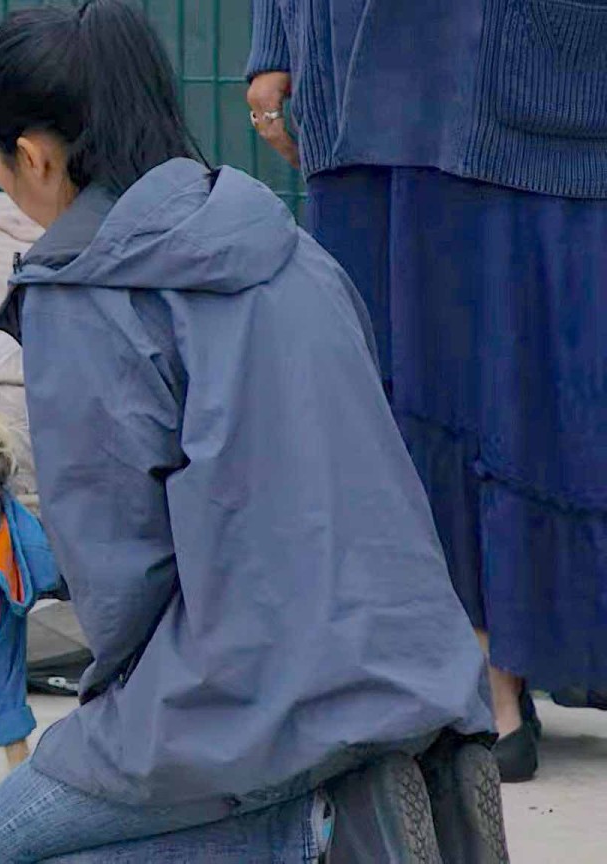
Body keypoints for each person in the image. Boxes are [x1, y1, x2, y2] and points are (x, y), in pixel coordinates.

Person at [0, 3, 501, 861]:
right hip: (416, 662)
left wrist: (120, 714)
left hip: (255, 694)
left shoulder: (84, 293)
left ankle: (313, 834)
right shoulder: (287, 244)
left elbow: (120, 570)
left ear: (34, 155)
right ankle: (373, 796)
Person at [247, 0, 607, 782]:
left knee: (529, 364)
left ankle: (508, 655)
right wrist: (273, 40)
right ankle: (459, 662)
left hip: (530, 61)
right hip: (353, 71)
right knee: (390, 375)